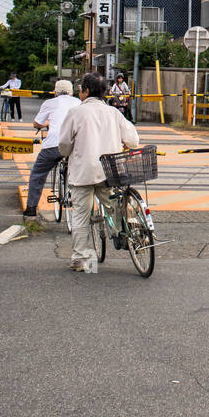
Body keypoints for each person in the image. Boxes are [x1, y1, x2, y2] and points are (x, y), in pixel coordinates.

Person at [58, 72, 140, 271]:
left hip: (83, 173)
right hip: (109, 172)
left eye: (81, 89)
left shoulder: (76, 113)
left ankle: (81, 259)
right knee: (114, 205)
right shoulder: (114, 113)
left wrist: (67, 153)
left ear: (85, 91)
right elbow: (133, 141)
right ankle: (124, 233)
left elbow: (64, 144)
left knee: (80, 216)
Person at [23, 78, 81, 219]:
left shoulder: (49, 103)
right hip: (76, 145)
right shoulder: (79, 103)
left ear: (55, 92)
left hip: (54, 145)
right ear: (71, 92)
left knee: (38, 174)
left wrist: (46, 124)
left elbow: (36, 123)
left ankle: (31, 208)